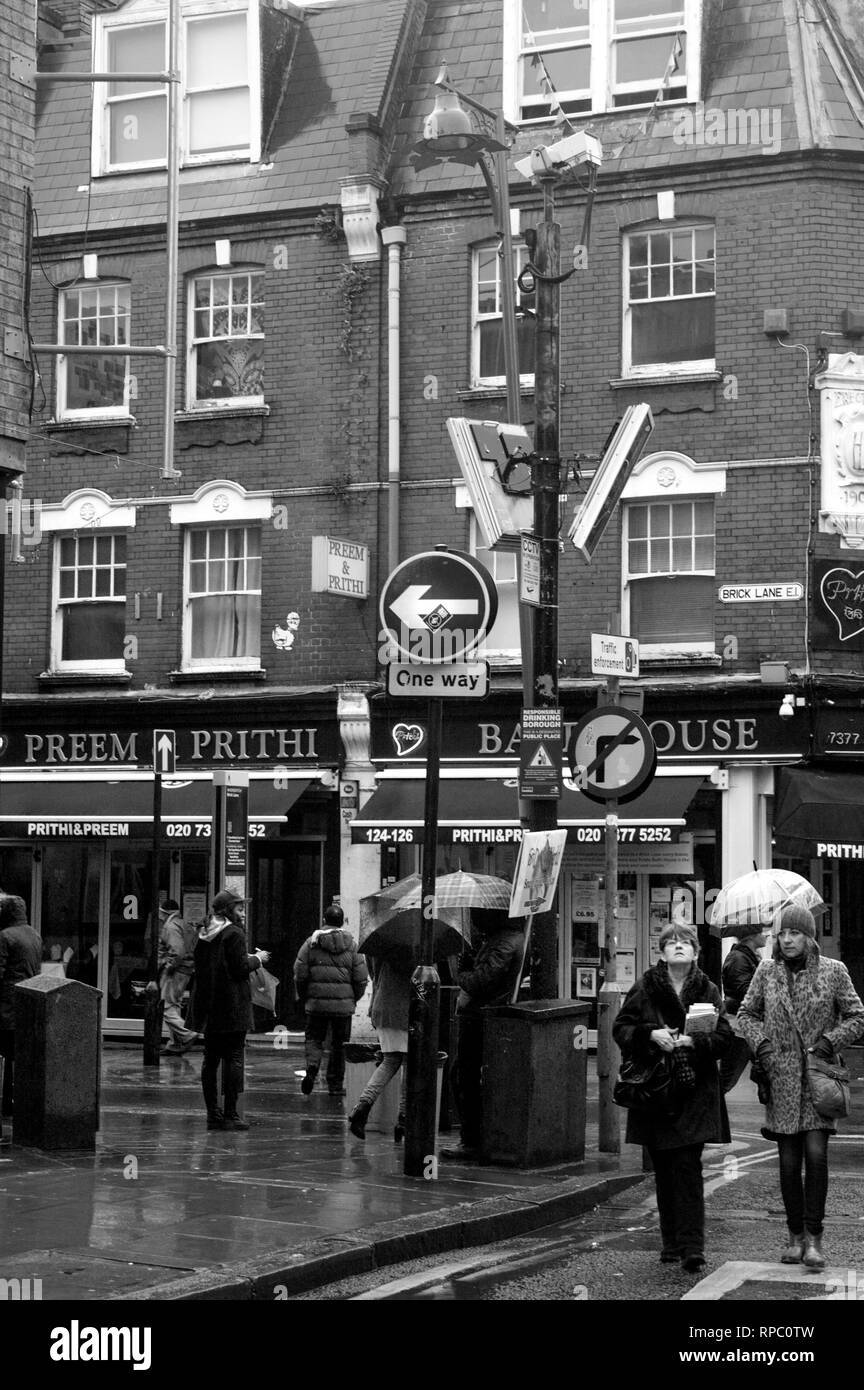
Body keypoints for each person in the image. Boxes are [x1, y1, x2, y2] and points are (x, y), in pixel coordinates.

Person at [737, 903, 864, 1271]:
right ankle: (793, 1237)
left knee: (817, 1156)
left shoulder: (833, 971)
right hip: (781, 1079)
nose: (787, 939)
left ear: (809, 937)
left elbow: (857, 1016)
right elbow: (746, 1014)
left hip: (818, 1077)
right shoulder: (766, 971)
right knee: (789, 1162)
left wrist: (829, 1042)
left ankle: (814, 1240)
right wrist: (759, 1044)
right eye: (782, 933)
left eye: (795, 933)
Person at [612, 922, 733, 1272]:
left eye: (685, 943)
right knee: (664, 1169)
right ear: (661, 952)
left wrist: (694, 1041)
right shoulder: (645, 988)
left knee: (688, 1168)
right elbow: (621, 1028)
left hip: (694, 1089)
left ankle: (693, 1247)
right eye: (671, 942)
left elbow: (724, 1038)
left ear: (695, 952)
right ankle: (670, 1243)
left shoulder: (707, 989)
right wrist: (652, 1035)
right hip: (655, 1091)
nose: (678, 947)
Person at [440, 910, 526, 1163]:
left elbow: (480, 981)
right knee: (465, 1076)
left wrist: (462, 972)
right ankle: (473, 1138)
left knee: (464, 1077)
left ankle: (471, 1140)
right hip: (486, 1016)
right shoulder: (509, 939)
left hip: (481, 1017)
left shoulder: (504, 943)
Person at [185, 889, 270, 1131]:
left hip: (209, 1004)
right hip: (231, 1004)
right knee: (234, 1057)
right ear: (228, 910)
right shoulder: (234, 933)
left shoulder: (203, 931)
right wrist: (258, 959)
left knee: (210, 1059)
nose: (243, 913)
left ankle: (213, 1114)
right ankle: (231, 1114)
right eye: (239, 908)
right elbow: (239, 968)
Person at [294, 904, 368, 1097]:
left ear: (324, 921)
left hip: (316, 1004)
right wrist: (352, 998)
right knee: (339, 1044)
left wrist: (306, 996)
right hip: (343, 1007)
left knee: (314, 1039)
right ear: (342, 922)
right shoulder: (352, 945)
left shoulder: (311, 943)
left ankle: (312, 1067)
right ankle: (335, 1084)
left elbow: (299, 974)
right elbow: (361, 978)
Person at [347, 955, 412, 1139]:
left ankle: (362, 1108)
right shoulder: (414, 943)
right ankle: (404, 1120)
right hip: (406, 1010)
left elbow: (374, 975)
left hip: (383, 1006)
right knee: (410, 1063)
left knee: (390, 1060)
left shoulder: (379, 944)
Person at [0, 895, 42, 1117]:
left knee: (4, 1059)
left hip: (7, 1008)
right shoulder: (34, 935)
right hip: (27, 1006)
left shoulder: (5, 936)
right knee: (19, 1057)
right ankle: (17, 1102)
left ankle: (5, 1102)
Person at [718, 922, 767, 1094]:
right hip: (739, 1028)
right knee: (725, 1080)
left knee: (769, 1071)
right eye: (762, 932)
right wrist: (767, 982)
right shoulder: (738, 958)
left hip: (752, 1025)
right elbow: (746, 991)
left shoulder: (749, 956)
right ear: (752, 936)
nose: (766, 935)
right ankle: (701, 1113)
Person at [157, 899, 199, 1055]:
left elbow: (178, 951)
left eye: (160, 912)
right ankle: (175, 1044)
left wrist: (168, 967)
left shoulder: (170, 926)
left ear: (164, 912)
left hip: (176, 972)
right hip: (187, 970)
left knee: (165, 1007)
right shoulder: (184, 924)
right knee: (174, 1005)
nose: (159, 915)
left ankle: (187, 1034)